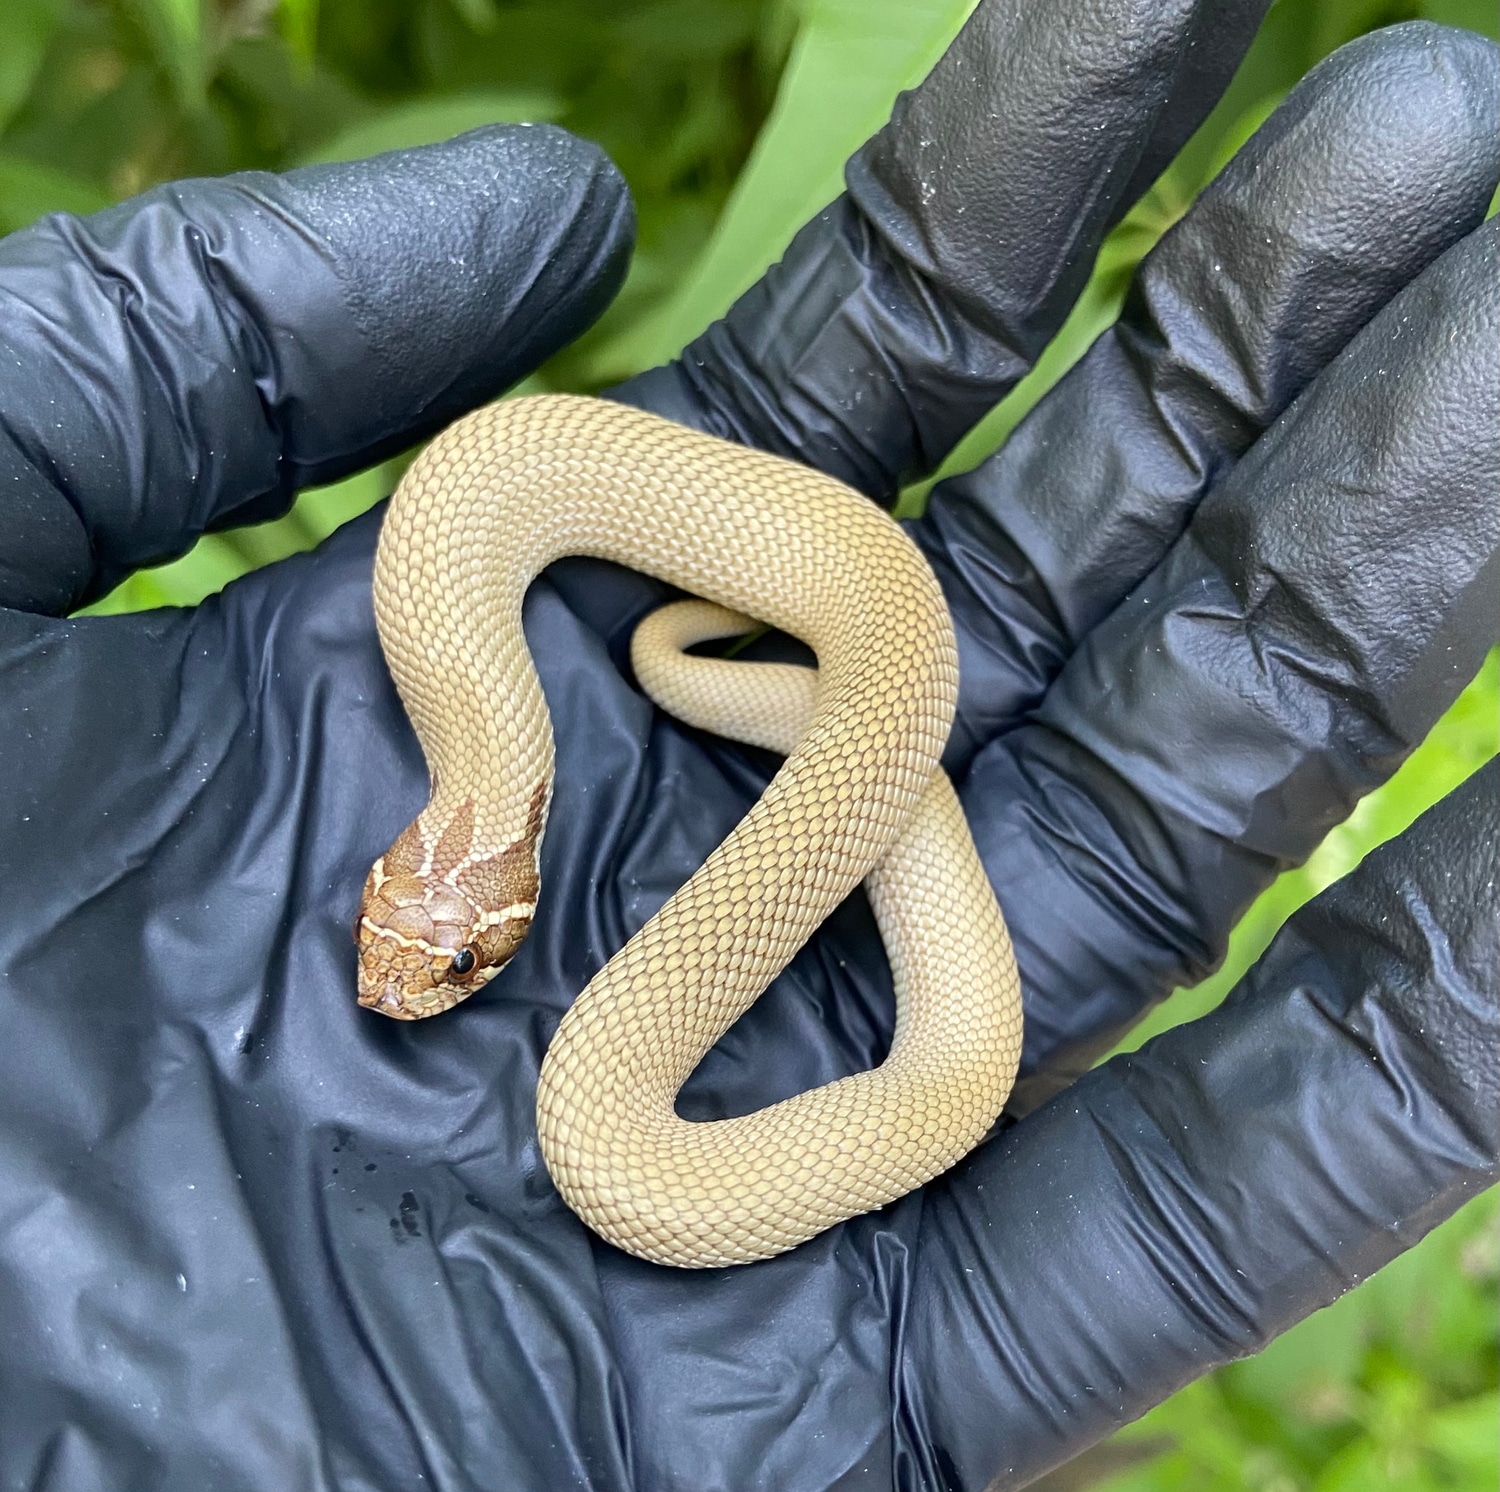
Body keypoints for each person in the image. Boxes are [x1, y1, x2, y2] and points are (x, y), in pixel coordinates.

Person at [0, 0, 1494, 1486]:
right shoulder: (489, 741)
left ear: (448, 867)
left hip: (843, 672)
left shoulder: (512, 634)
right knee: (920, 989)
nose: (409, 981)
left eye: (430, 947)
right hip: (819, 741)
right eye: (438, 954)